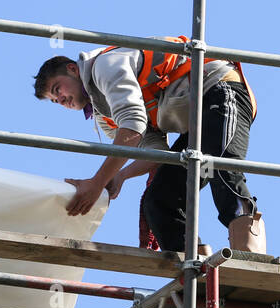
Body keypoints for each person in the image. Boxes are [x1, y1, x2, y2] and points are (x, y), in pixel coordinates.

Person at [32, 37, 267, 254]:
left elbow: (133, 127)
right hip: (198, 125)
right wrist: (120, 175)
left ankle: (249, 257)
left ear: (73, 69)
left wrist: (98, 182)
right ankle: (196, 272)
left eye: (57, 89)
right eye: (55, 101)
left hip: (220, 91)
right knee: (159, 200)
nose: (60, 100)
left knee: (218, 165)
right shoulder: (106, 117)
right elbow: (156, 152)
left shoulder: (105, 65)